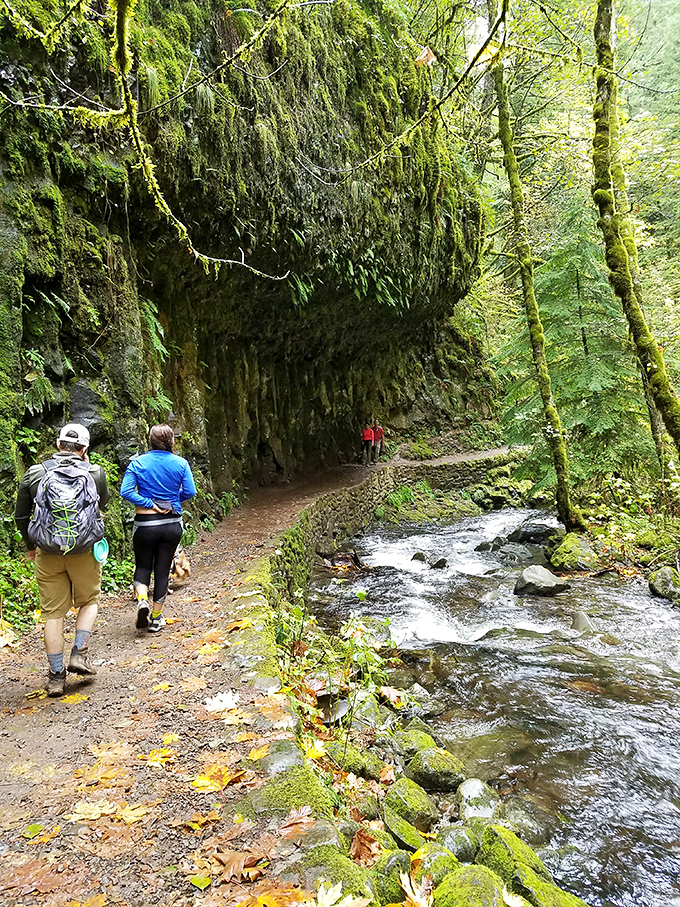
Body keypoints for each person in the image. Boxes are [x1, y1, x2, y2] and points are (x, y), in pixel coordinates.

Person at [15, 423, 109, 697]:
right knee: (89, 600)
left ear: (58, 445)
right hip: (84, 551)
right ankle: (79, 653)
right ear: (84, 449)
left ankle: (56, 677)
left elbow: (21, 515)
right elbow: (101, 504)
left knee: (53, 614)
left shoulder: (37, 472)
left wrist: (31, 545)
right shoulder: (94, 472)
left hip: (47, 551)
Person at [120, 424, 196, 633]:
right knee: (163, 569)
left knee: (143, 566)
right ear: (171, 441)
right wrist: (172, 501)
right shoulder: (181, 463)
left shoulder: (137, 463)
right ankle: (156, 618)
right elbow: (190, 491)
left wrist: (148, 503)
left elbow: (125, 492)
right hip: (171, 523)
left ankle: (142, 599)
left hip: (145, 524)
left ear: (150, 440)